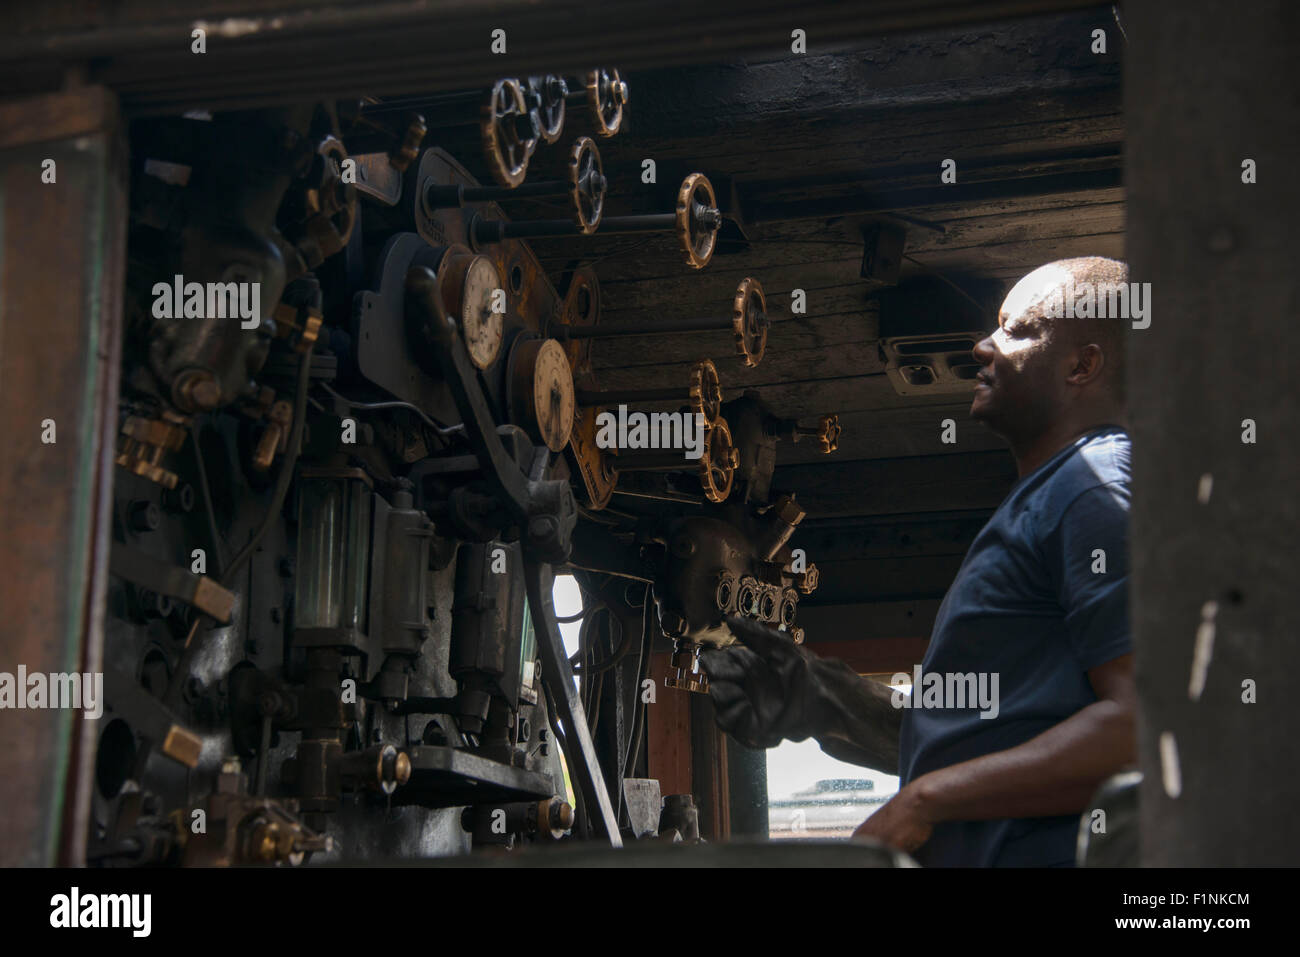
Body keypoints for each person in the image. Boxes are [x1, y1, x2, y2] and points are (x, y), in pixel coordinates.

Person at [703, 257, 1138, 866]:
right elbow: (997, 726)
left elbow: (1145, 727)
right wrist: (829, 698)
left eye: (1016, 331)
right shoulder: (1055, 497)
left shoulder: (1093, 488)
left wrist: (922, 802)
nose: (984, 346)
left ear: (1082, 364)